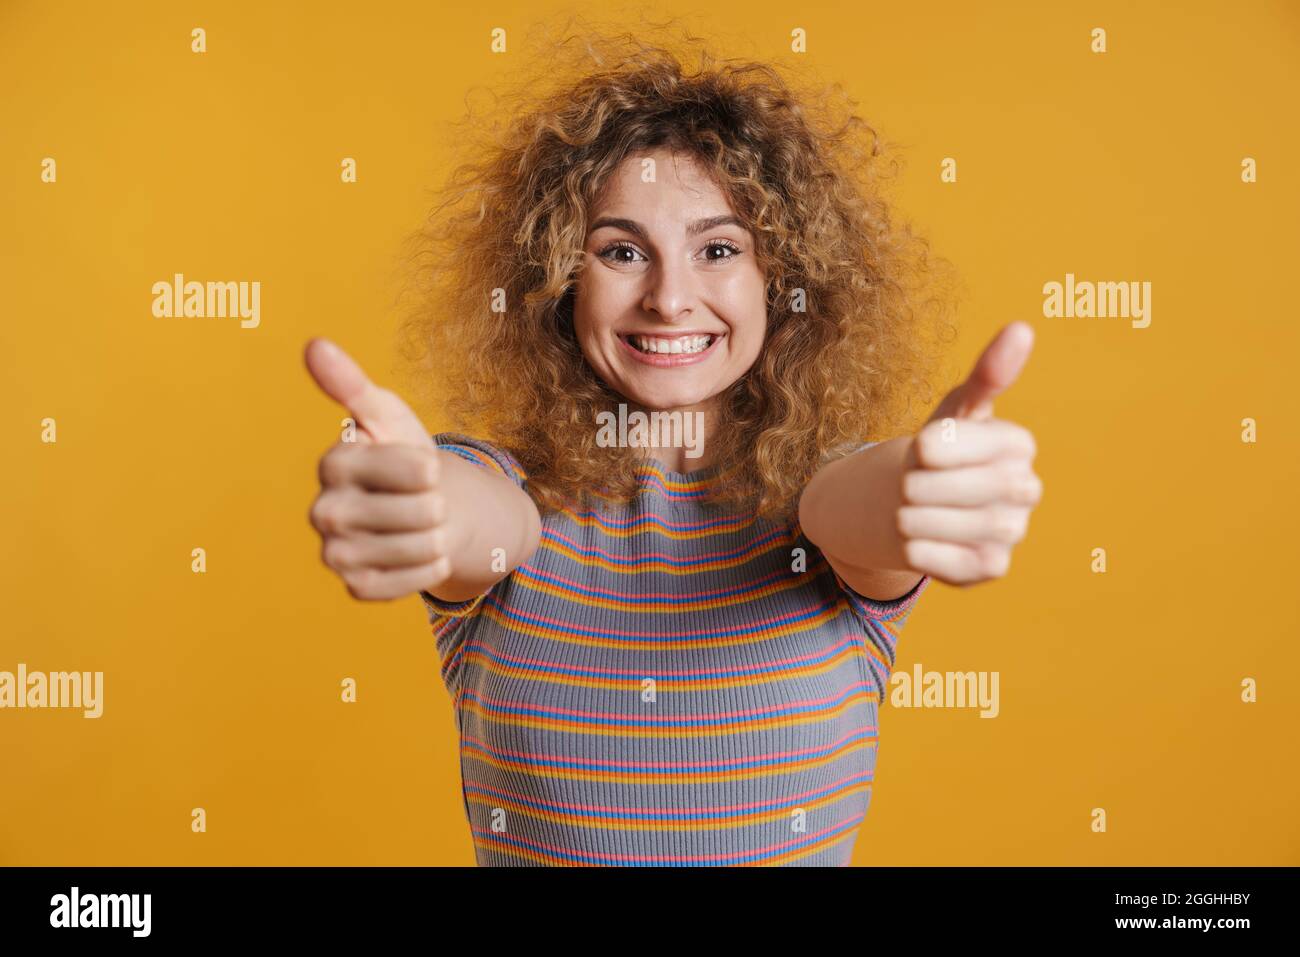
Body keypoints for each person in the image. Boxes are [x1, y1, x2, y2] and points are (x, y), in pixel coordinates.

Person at [304, 31, 1042, 866]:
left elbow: (862, 506)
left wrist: (922, 486)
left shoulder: (824, 506)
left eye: (718, 249)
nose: (669, 298)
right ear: (559, 277)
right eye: (622, 251)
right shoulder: (512, 495)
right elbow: (475, 520)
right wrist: (421, 504)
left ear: (782, 275)